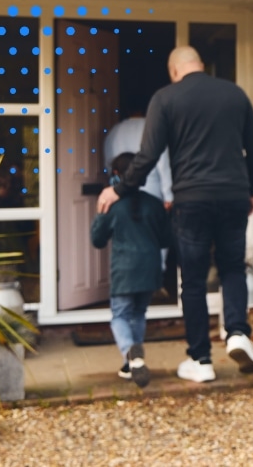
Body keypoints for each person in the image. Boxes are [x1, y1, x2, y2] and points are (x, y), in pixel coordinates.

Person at [97, 46, 253, 384]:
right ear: (200, 64)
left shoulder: (166, 98)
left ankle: (201, 359)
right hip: (233, 195)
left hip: (192, 200)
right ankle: (236, 333)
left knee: (193, 279)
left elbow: (147, 156)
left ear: (174, 70)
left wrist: (120, 189)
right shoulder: (235, 94)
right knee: (233, 267)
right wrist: (250, 190)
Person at [91, 153, 171, 388]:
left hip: (124, 270)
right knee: (137, 314)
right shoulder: (154, 204)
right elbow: (167, 239)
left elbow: (97, 239)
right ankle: (132, 364)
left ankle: (129, 351)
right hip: (150, 268)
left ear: (116, 175)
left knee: (120, 315)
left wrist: (99, 212)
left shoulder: (111, 205)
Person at [104, 100, 174, 273]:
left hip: (121, 189)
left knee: (126, 233)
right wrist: (168, 194)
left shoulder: (113, 132)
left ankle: (129, 273)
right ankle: (157, 273)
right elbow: (163, 162)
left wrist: (114, 188)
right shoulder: (152, 129)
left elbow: (108, 165)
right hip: (151, 185)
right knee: (155, 232)